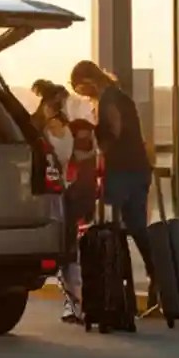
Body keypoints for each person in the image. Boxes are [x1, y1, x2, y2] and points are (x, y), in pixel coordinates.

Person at [69, 60, 154, 287]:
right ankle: (156, 271)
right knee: (136, 225)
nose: (85, 96)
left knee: (110, 225)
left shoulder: (109, 99)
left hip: (122, 170)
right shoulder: (120, 96)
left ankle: (116, 275)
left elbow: (114, 130)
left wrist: (95, 140)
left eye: (82, 90)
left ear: (89, 81)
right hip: (138, 168)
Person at [35, 83, 96, 323]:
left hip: (54, 196)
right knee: (69, 248)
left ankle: (74, 304)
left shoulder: (39, 131)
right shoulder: (70, 130)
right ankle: (75, 303)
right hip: (68, 193)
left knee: (66, 249)